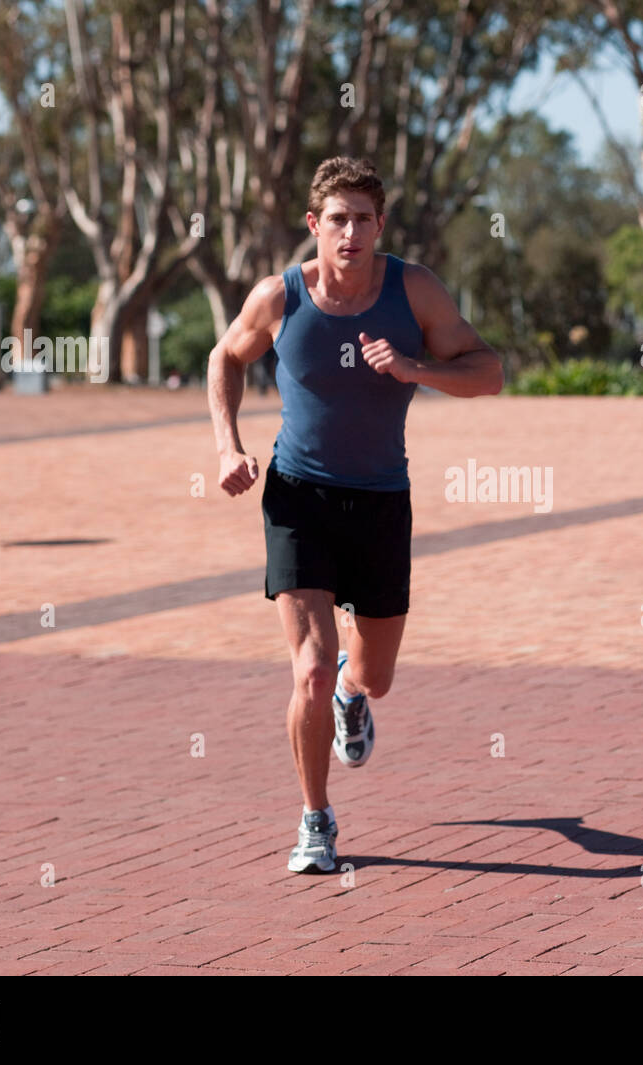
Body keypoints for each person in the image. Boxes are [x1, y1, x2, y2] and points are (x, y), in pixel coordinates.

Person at [208, 156, 503, 873]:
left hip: (379, 502)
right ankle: (316, 818)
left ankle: (352, 692)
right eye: (337, 219)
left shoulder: (413, 291)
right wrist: (228, 447)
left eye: (363, 219)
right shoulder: (281, 298)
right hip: (298, 496)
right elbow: (225, 356)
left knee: (374, 676)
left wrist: (416, 369)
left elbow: (489, 371)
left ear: (379, 225)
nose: (351, 232)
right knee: (306, 666)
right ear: (315, 226)